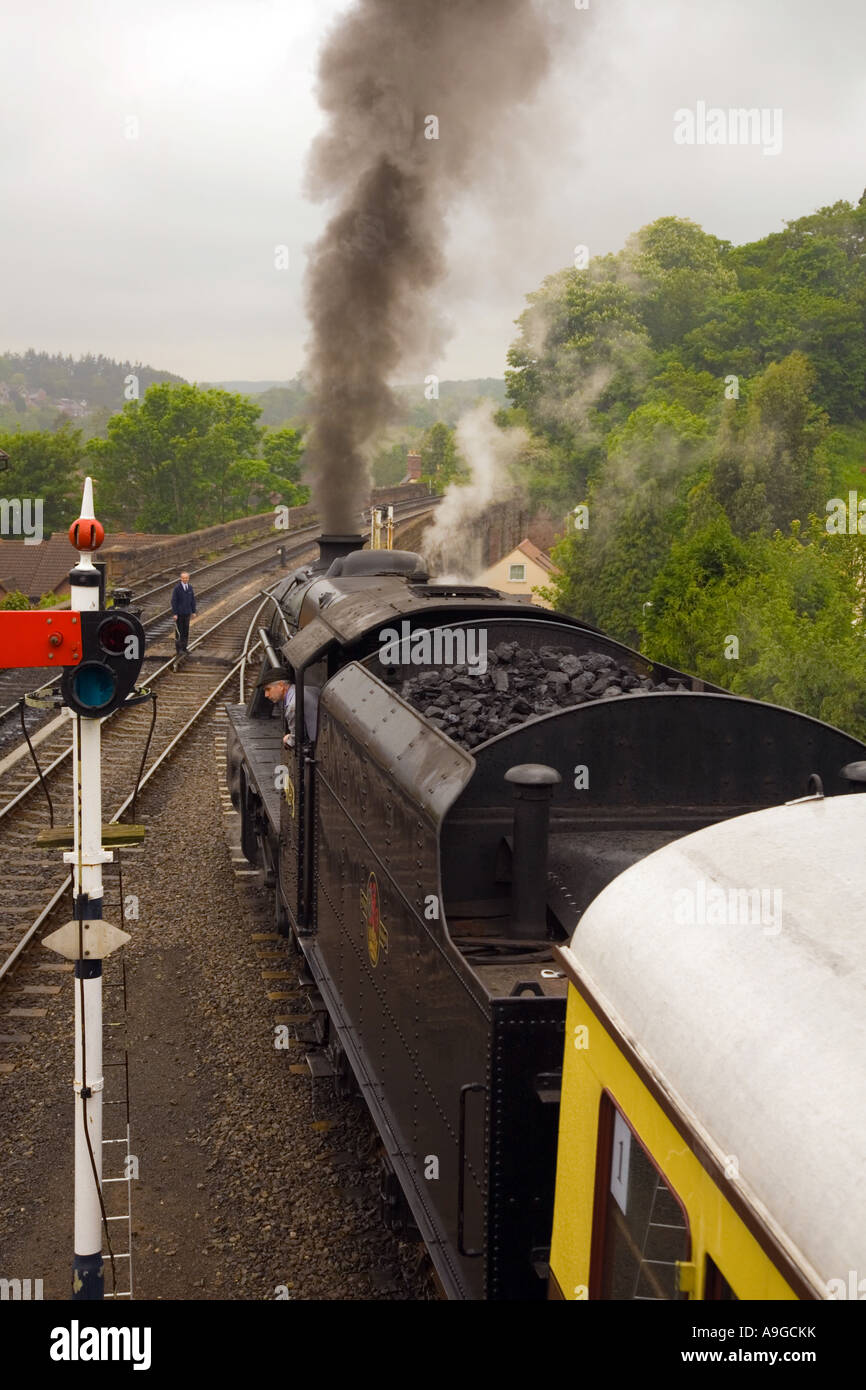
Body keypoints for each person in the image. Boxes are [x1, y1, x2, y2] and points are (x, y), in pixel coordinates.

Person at [262, 666, 319, 749]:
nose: (266, 695)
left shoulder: (292, 706)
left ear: (281, 686)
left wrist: (287, 740)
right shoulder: (312, 689)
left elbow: (295, 741)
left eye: (268, 689)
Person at [171, 571, 197, 653]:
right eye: (183, 578)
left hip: (187, 613)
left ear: (188, 578)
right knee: (179, 631)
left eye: (186, 578)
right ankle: (179, 649)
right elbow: (173, 601)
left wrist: (193, 611)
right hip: (179, 614)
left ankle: (184, 647)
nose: (185, 579)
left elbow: (192, 600)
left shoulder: (190, 587)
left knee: (186, 631)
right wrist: (175, 613)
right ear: (181, 579)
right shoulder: (177, 588)